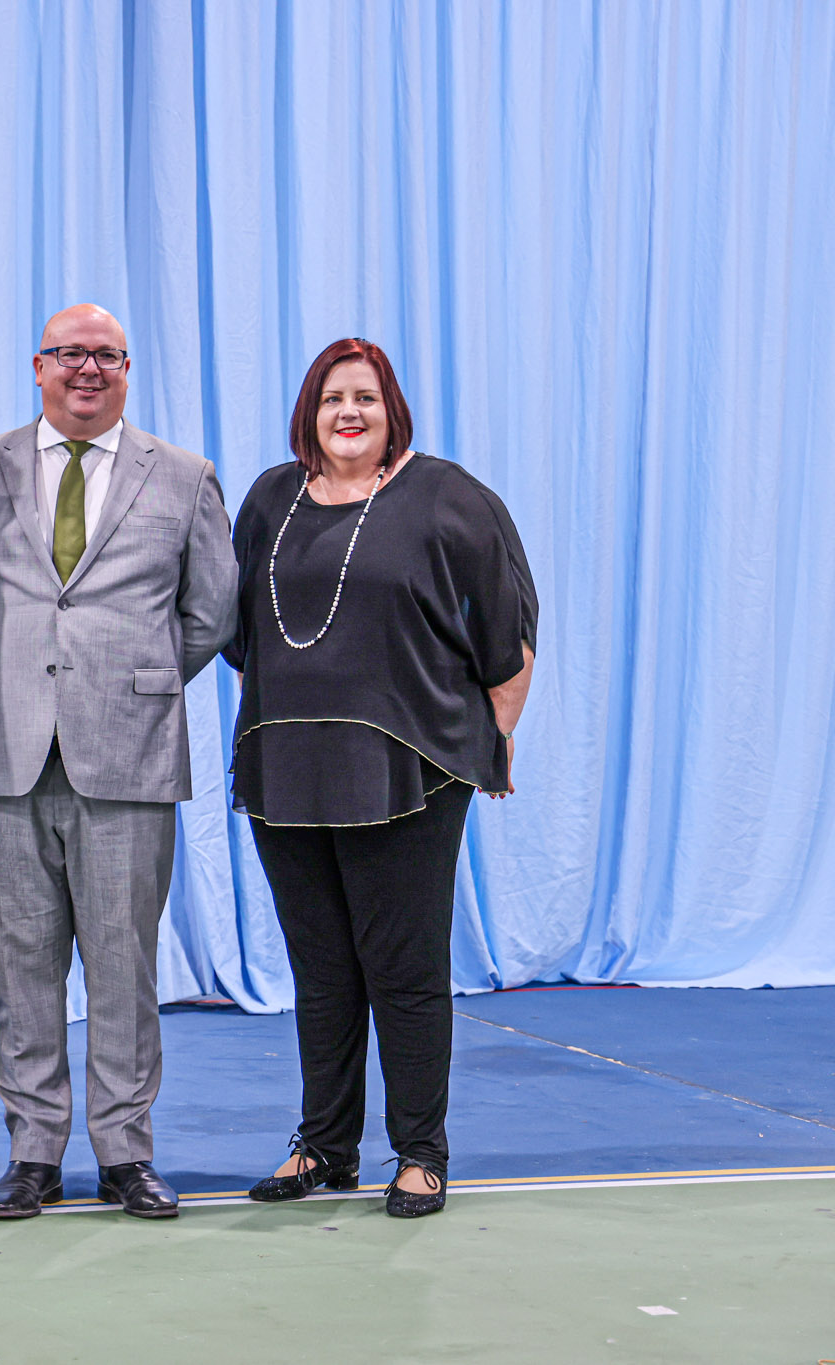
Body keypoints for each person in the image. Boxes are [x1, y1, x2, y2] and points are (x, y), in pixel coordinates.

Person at [0, 305, 238, 1221]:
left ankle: (124, 1152)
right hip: (4, 750)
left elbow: (212, 611)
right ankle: (32, 1151)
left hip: (129, 754)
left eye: (106, 355)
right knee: (20, 968)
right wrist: (13, 673)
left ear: (128, 369)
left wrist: (132, 680)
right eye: (70, 354)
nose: (87, 369)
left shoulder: (184, 476)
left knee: (123, 967)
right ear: (39, 366)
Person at [227, 337, 537, 1218]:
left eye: (364, 396)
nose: (348, 412)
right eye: (332, 398)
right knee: (322, 971)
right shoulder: (272, 498)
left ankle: (420, 1152)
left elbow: (508, 629)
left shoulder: (446, 496)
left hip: (411, 771)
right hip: (287, 766)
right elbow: (240, 631)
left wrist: (495, 737)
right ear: (310, 411)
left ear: (391, 408)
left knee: (402, 969)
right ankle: (325, 1145)